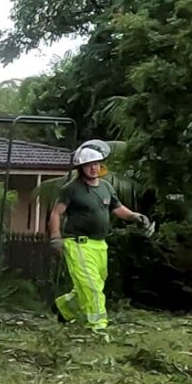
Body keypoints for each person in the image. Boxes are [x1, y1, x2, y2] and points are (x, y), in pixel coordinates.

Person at [49, 139, 147, 331]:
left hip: (99, 244)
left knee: (94, 284)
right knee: (91, 286)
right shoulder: (71, 189)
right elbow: (56, 213)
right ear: (81, 167)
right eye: (88, 165)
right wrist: (55, 238)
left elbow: (117, 208)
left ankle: (64, 308)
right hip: (77, 243)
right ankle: (98, 326)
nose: (93, 168)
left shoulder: (106, 187)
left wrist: (135, 216)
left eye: (96, 164)